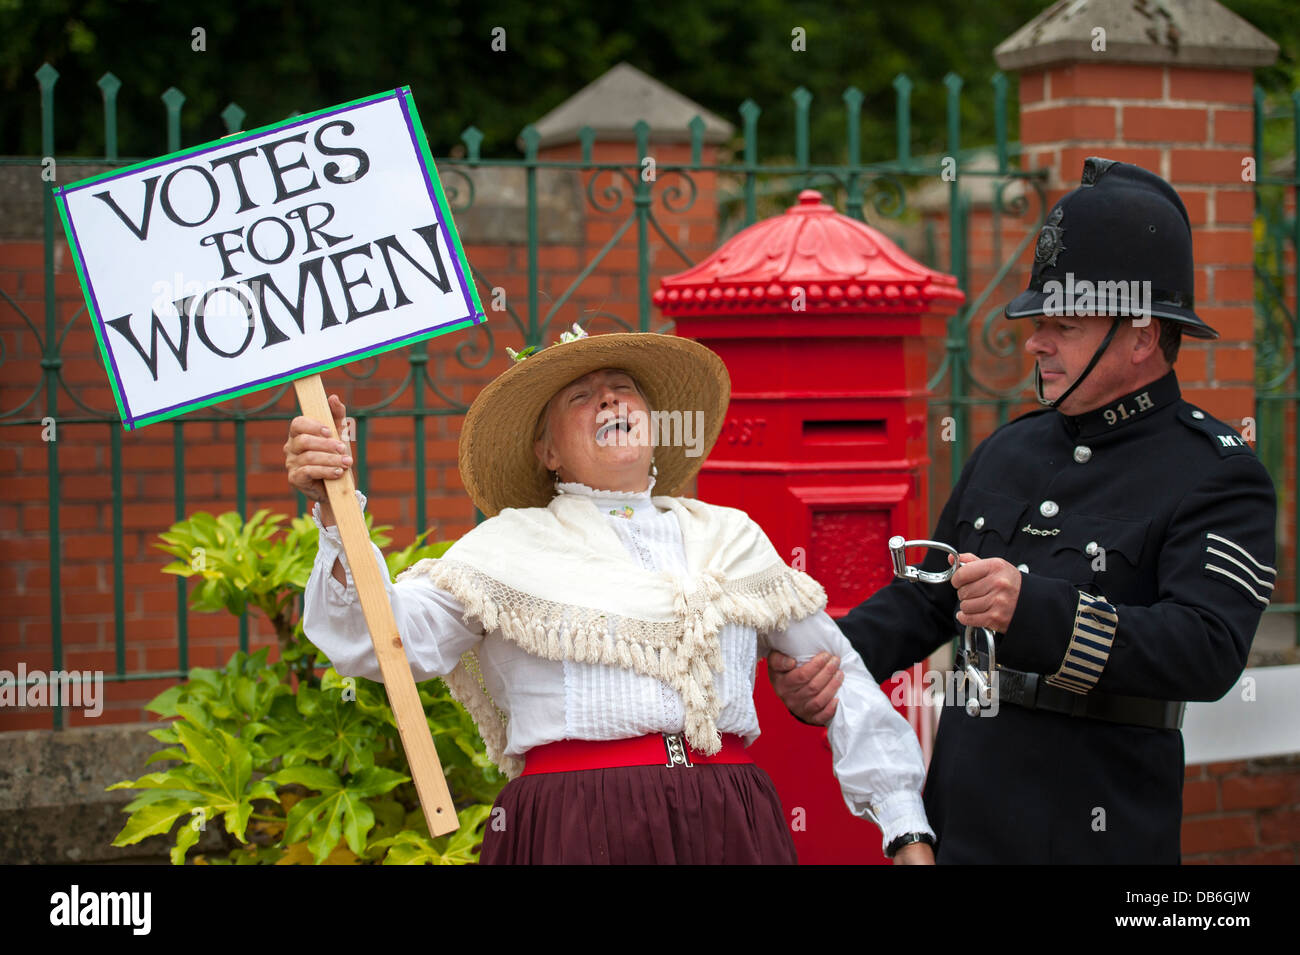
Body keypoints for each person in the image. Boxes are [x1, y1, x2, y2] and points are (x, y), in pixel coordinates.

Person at [767, 157, 1278, 864]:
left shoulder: (1217, 473)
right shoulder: (1009, 449)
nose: (1035, 341)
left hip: (1100, 828)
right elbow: (926, 603)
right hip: (965, 815)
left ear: (1139, 335)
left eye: (1062, 325)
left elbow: (1207, 651)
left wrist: (1033, 607)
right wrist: (830, 656)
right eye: (1039, 321)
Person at [285, 326, 937, 864]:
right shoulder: (507, 548)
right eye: (582, 396)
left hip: (733, 822)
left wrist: (906, 828)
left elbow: (841, 673)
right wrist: (335, 509)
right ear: (547, 451)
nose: (610, 401)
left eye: (623, 389)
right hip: (577, 826)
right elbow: (378, 641)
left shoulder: (732, 537)